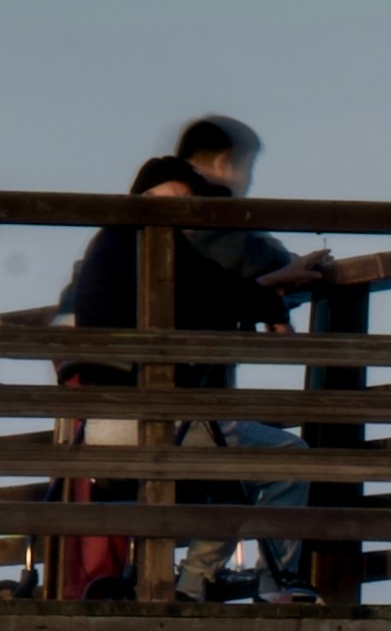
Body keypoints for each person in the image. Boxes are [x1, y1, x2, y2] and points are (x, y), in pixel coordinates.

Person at [52, 121, 337, 601]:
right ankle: (268, 586)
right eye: (185, 200)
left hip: (100, 428)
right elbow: (213, 287)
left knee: (224, 467)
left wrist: (273, 283)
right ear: (157, 196)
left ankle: (190, 583)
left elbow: (208, 291)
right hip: (157, 420)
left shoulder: (115, 244)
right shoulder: (155, 243)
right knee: (282, 460)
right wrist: (276, 290)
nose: (191, 214)